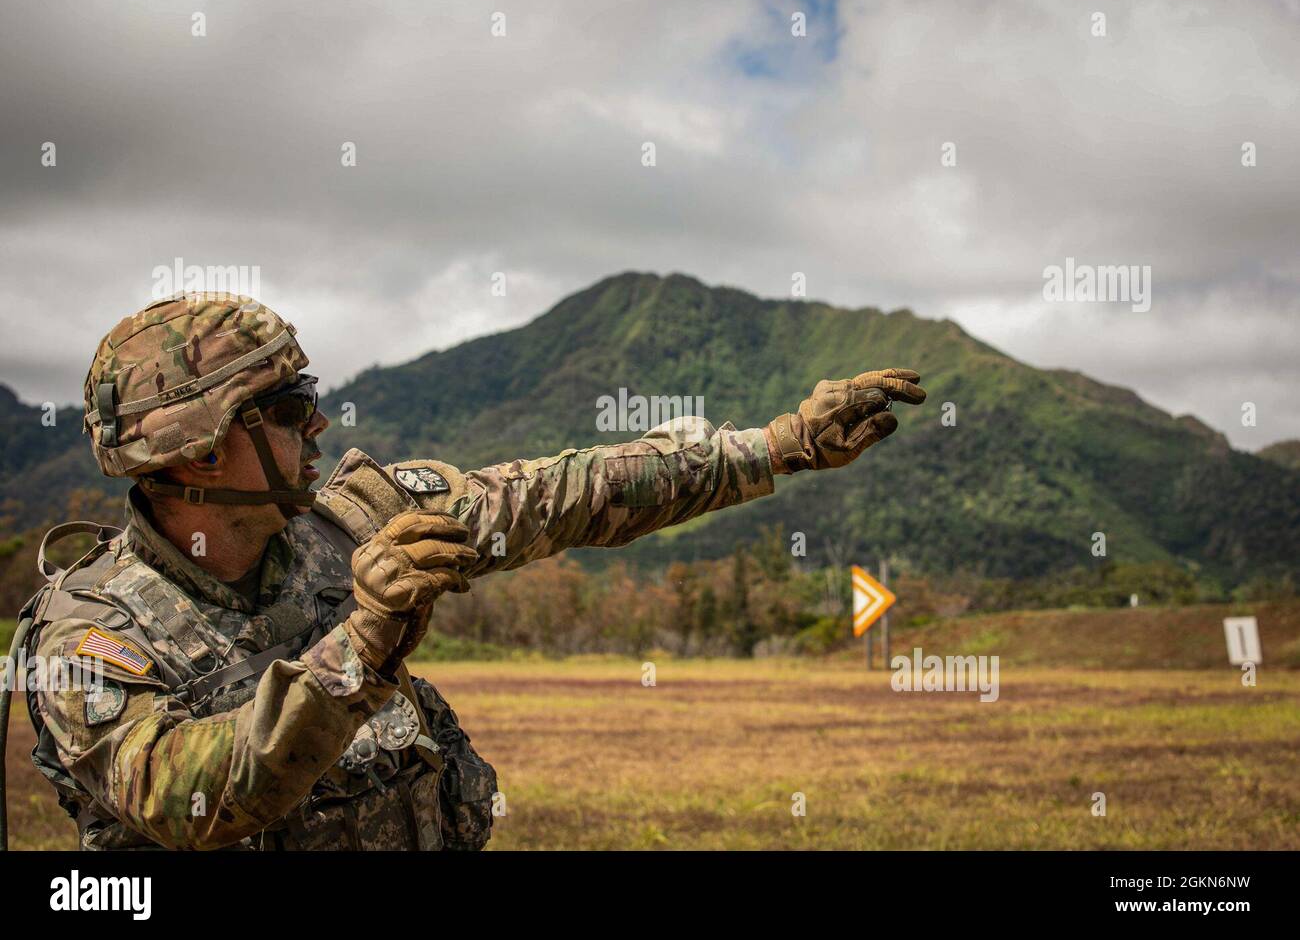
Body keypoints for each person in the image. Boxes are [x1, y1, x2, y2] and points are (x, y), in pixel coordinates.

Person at [16, 291, 925, 850]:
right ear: (202, 451)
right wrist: (360, 647)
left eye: (310, 397)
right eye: (287, 408)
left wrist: (781, 446)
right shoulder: (89, 635)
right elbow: (185, 796)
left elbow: (567, 493)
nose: (318, 427)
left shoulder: (351, 523)